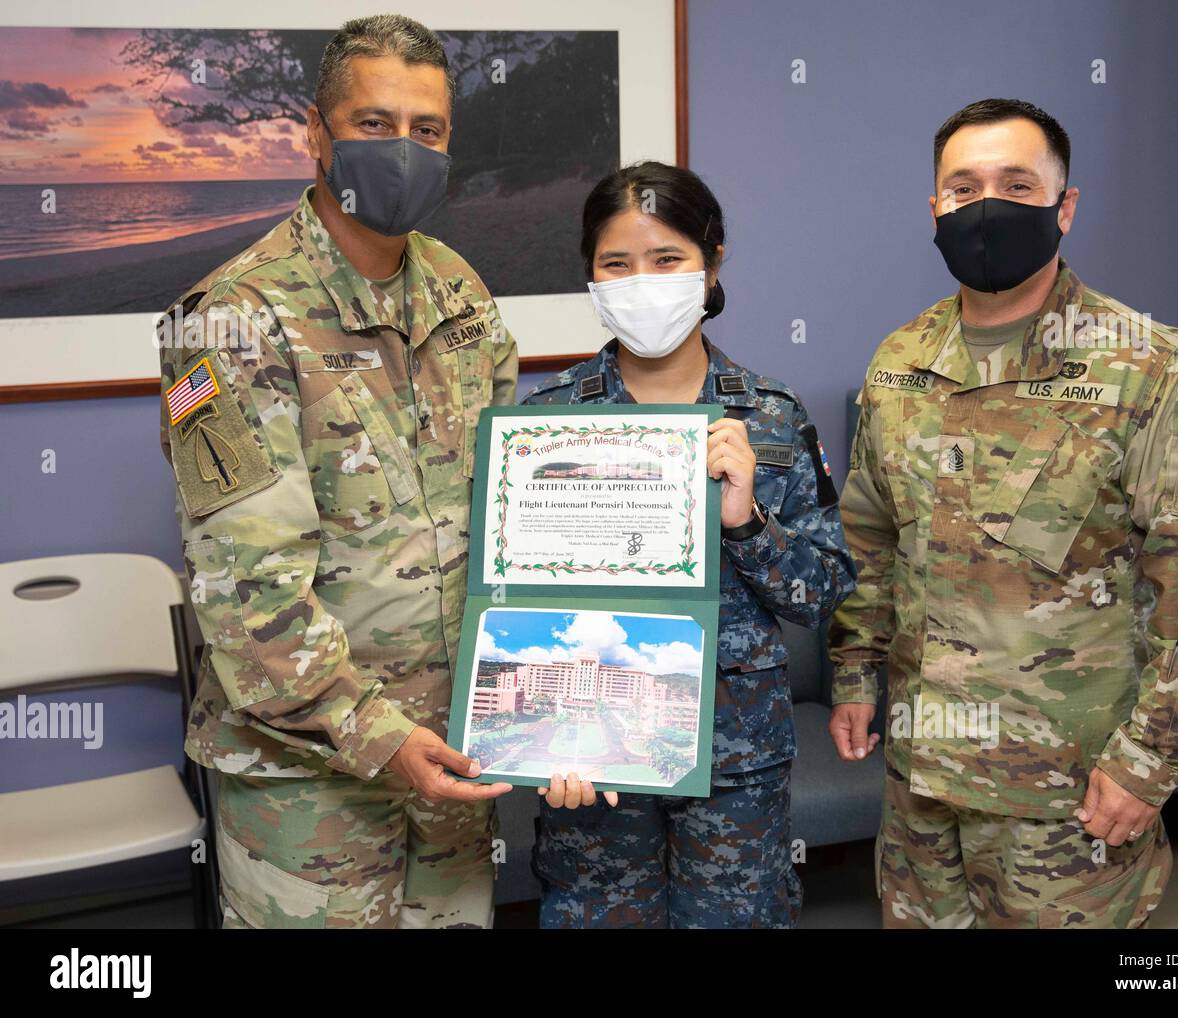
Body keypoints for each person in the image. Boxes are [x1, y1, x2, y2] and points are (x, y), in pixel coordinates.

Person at [829, 98, 1178, 928]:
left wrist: (1147, 766)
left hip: (1065, 800)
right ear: (935, 209)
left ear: (1065, 206)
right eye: (963, 188)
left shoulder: (1150, 374)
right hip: (922, 787)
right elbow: (870, 540)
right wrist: (854, 672)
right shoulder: (901, 362)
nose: (985, 205)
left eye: (1016, 183)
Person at [157, 14, 517, 928]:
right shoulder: (229, 322)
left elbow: (513, 515)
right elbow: (244, 591)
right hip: (309, 783)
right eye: (373, 124)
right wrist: (378, 735)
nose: (403, 150)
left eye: (426, 131)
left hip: (452, 756)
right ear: (315, 134)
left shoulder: (462, 294)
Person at [520, 161, 855, 928]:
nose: (642, 281)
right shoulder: (549, 421)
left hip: (734, 757)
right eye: (617, 263)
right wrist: (542, 736)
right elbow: (517, 603)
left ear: (712, 263)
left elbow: (825, 591)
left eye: (666, 259)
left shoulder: (771, 416)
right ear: (592, 279)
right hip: (593, 753)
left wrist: (748, 522)